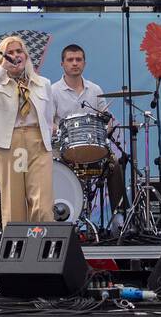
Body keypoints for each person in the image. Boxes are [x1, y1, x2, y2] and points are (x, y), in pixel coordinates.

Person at [0, 35, 55, 226]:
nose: (15, 55)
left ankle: (42, 246)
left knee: (43, 204)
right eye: (10, 52)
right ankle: (17, 250)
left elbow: (49, 117)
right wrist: (3, 68)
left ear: (26, 56)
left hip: (37, 142)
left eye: (19, 51)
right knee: (13, 205)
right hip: (9, 142)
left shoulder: (42, 83)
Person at [49, 44, 128, 216]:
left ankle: (119, 217)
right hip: (63, 151)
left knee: (114, 164)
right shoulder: (53, 91)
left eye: (78, 60)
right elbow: (48, 123)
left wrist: (105, 129)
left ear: (84, 63)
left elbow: (107, 122)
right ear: (62, 64)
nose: (75, 63)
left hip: (94, 148)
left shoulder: (95, 90)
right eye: (70, 60)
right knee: (48, 167)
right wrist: (63, 132)